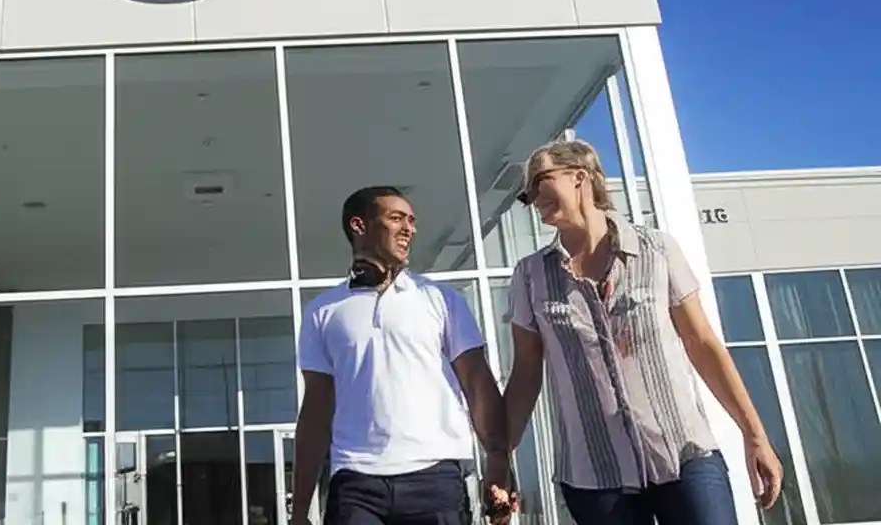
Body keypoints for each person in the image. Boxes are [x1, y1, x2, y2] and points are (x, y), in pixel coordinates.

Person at [503, 139, 783, 524]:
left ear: (579, 177)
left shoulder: (657, 250)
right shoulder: (531, 276)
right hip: (594, 476)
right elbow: (525, 373)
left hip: (685, 457)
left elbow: (702, 344)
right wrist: (501, 456)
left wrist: (755, 435)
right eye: (527, 192)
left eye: (540, 182)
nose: (533, 198)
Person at [292, 186, 517, 525]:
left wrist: (498, 460)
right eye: (396, 218)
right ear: (359, 226)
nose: (409, 229)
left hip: (436, 478)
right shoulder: (322, 311)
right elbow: (315, 411)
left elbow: (478, 384)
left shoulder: (441, 300)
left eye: (412, 221)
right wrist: (299, 512)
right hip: (354, 482)